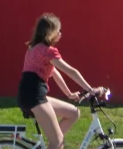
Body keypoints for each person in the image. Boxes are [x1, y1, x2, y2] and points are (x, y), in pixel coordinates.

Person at [17, 13, 108, 149]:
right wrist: (91, 90)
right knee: (58, 142)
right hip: (34, 97)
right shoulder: (48, 51)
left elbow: (54, 72)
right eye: (58, 30)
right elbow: (71, 71)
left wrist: (69, 94)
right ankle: (55, 143)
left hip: (30, 94)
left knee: (73, 113)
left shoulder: (34, 48)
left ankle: (53, 143)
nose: (60, 33)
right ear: (51, 33)